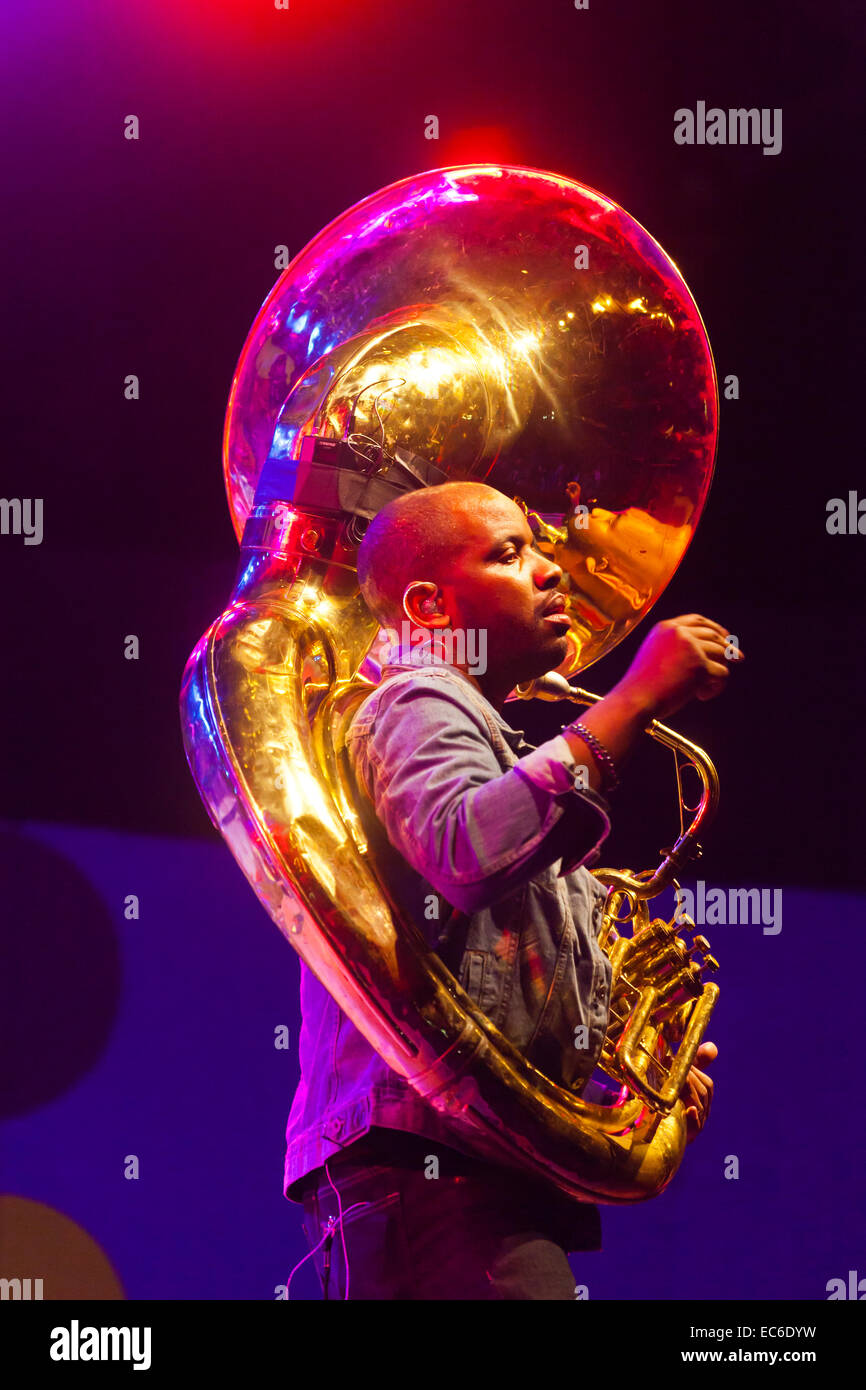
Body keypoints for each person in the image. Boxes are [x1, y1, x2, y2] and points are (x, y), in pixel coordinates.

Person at [284, 480, 735, 1300]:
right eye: (510, 553)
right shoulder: (416, 695)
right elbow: (468, 847)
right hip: (432, 1169)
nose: (552, 570)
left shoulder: (478, 734)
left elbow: (495, 964)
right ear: (426, 603)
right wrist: (632, 699)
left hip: (469, 1170)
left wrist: (636, 1077)